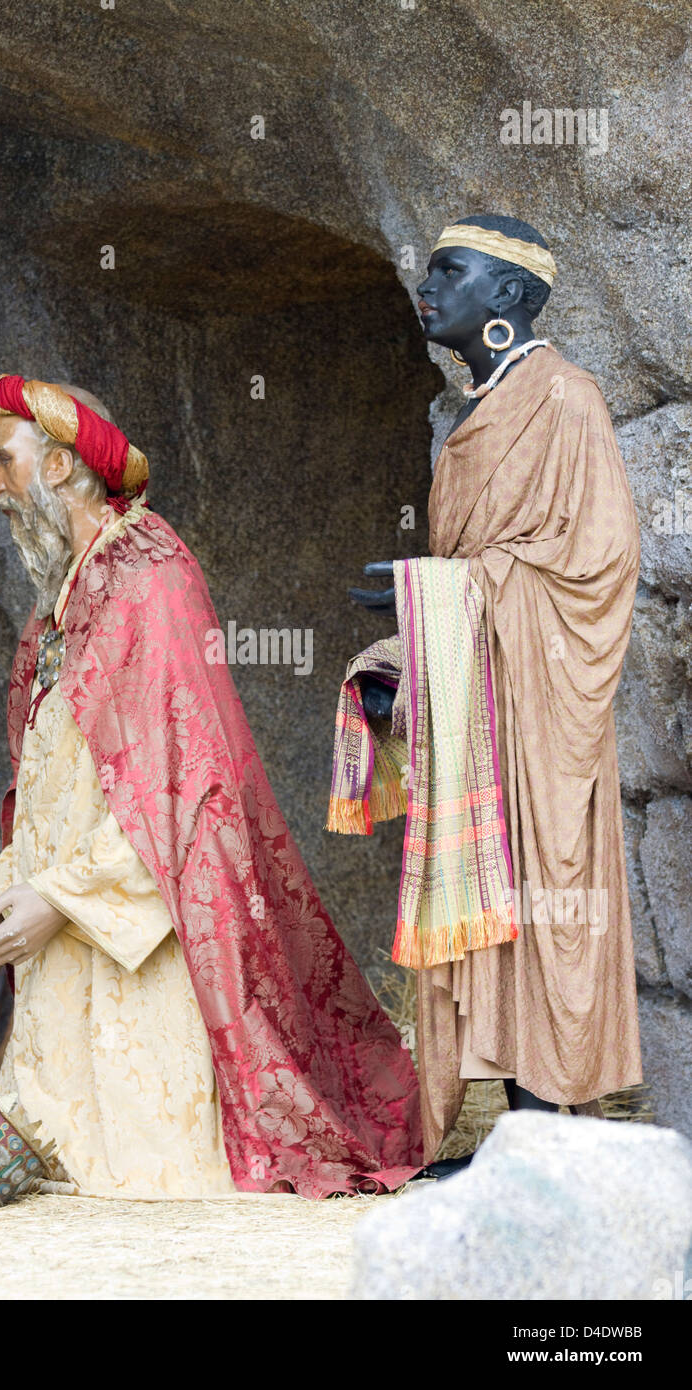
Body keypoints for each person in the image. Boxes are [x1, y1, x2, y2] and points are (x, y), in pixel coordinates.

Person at [0, 373, 422, 1199]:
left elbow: (186, 794)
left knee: (144, 1190)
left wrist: (55, 901)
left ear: (60, 466)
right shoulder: (55, 609)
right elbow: (49, 787)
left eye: (3, 462)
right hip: (60, 975)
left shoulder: (149, 580)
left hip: (142, 974)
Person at [349, 215, 642, 1170]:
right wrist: (404, 649)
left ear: (510, 296)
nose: (425, 285)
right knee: (481, 899)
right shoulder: (475, 409)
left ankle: (545, 1136)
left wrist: (438, 589)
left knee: (545, 894)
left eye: (450, 270)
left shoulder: (566, 398)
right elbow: (466, 564)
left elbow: (594, 566)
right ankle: (510, 1138)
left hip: (542, 702)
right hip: (474, 695)